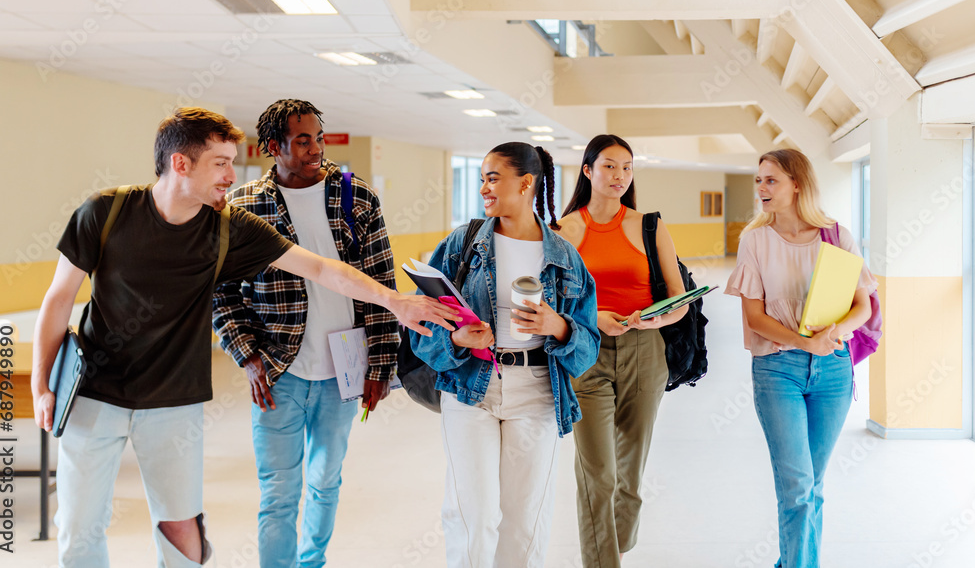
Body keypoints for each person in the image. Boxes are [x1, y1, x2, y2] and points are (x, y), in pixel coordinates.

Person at [29, 107, 455, 568]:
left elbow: (320, 268)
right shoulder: (105, 212)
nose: (232, 174)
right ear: (181, 164)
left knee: (180, 530)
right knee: (80, 527)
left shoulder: (230, 229)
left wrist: (393, 302)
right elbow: (58, 301)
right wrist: (39, 385)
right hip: (94, 394)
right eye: (221, 163)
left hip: (174, 402)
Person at [212, 99, 399, 568]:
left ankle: (311, 561)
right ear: (273, 147)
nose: (315, 148)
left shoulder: (357, 198)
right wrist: (249, 357)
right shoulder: (244, 207)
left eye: (318, 137)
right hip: (278, 372)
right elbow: (222, 293)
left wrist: (380, 365)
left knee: (325, 479)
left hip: (343, 370)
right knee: (279, 490)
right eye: (301, 140)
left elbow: (382, 284)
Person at [410, 142, 599, 568]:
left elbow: (587, 351)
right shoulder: (462, 244)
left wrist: (560, 327)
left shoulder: (565, 257)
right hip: (470, 388)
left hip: (537, 392)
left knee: (525, 519)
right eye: (481, 179)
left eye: (492, 178)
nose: (483, 188)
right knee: (471, 514)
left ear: (526, 183)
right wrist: (458, 341)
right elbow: (422, 328)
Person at [725, 149, 874, 568]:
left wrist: (835, 333)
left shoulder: (836, 235)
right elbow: (754, 317)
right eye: (758, 180)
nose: (761, 188)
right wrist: (803, 341)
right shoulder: (754, 241)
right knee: (797, 485)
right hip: (778, 370)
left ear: (797, 184)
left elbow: (863, 305)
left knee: (812, 485)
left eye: (771, 180)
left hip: (832, 371)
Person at [557, 134, 688, 568]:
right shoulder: (564, 230)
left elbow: (678, 296)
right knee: (599, 474)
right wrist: (595, 317)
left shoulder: (648, 224)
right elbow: (552, 301)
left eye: (627, 167)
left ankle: (614, 543)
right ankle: (602, 561)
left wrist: (658, 319)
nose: (619, 175)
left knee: (629, 478)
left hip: (645, 351)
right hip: (586, 352)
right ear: (588, 169)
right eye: (610, 166)